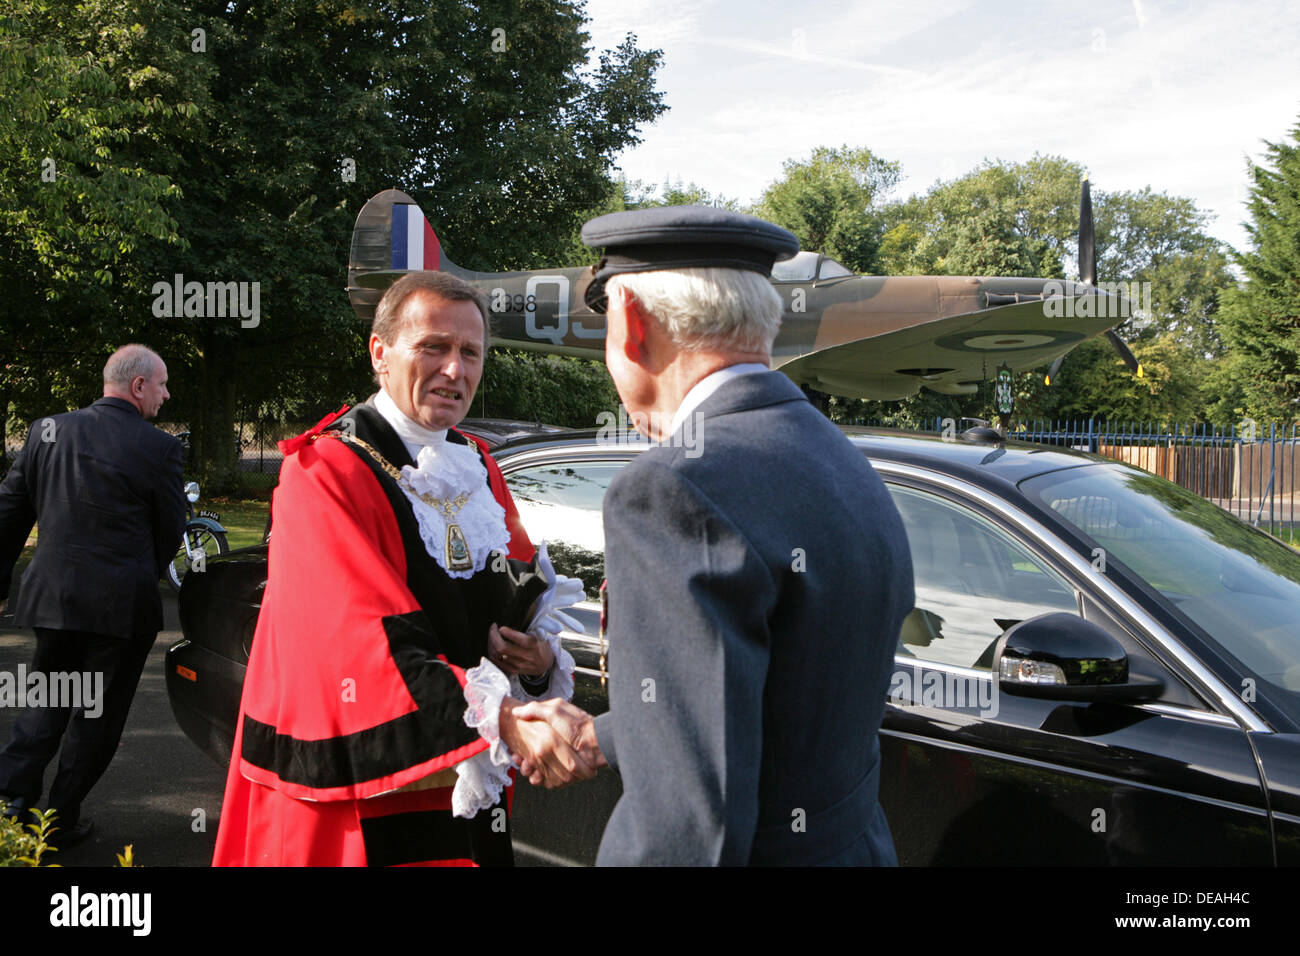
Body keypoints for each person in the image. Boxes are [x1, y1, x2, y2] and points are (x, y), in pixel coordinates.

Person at [514, 206, 916, 865]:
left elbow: (685, 828)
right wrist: (602, 736)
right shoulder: (840, 457)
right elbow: (769, 702)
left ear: (633, 325)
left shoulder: (673, 489)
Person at [212, 271, 591, 867]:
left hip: (470, 764)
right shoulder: (324, 470)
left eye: (470, 352)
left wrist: (537, 665)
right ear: (380, 353)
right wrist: (499, 714)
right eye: (433, 346)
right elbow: (359, 641)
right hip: (375, 775)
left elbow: (515, 594)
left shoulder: (477, 461)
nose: (454, 370)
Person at [0, 345, 186, 848]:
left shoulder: (45, 432)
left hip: (53, 599)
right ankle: (58, 823)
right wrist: (133, 574)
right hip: (120, 609)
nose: (167, 394)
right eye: (163, 383)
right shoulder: (159, 449)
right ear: (138, 385)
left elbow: (9, 513)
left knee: (46, 699)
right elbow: (171, 532)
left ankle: (13, 809)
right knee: (96, 719)